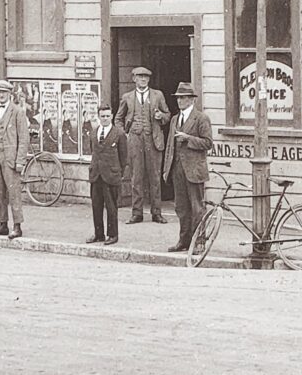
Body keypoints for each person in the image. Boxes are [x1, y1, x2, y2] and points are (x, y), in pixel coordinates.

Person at [162, 81, 212, 252]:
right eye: (178, 98)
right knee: (181, 207)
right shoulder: (175, 119)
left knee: (197, 207)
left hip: (194, 170)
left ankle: (199, 242)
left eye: (183, 98)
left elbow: (208, 143)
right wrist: (166, 169)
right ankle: (184, 241)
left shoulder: (201, 118)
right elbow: (170, 145)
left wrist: (188, 138)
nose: (179, 101)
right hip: (178, 169)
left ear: (191, 100)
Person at [118, 66, 170, 225]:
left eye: (146, 77)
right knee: (136, 178)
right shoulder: (127, 97)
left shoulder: (157, 95)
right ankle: (137, 214)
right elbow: (118, 119)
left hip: (153, 140)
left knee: (155, 178)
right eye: (140, 77)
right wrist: (124, 134)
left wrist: (161, 116)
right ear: (134, 79)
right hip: (134, 140)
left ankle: (157, 213)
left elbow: (168, 115)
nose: (143, 79)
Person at [0, 79, 28, 239]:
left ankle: (17, 226)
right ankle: (2, 224)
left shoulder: (18, 112)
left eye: (3, 92)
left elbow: (23, 138)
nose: (0, 95)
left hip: (11, 158)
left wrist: (20, 160)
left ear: (9, 94)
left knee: (14, 191)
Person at [87, 105, 127, 245]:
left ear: (111, 116)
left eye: (107, 116)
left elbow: (124, 157)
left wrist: (117, 172)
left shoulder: (119, 134)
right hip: (96, 175)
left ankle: (113, 235)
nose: (105, 118)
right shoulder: (94, 133)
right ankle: (99, 234)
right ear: (98, 117)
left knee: (111, 207)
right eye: (102, 116)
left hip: (111, 175)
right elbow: (93, 151)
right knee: (96, 206)